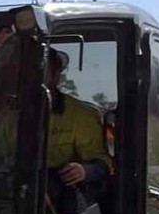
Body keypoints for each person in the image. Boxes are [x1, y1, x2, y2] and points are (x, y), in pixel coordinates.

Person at [46, 48, 111, 190]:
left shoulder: (81, 115)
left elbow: (102, 162)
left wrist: (84, 171)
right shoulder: (8, 115)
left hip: (62, 193)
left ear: (57, 74)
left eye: (45, 70)